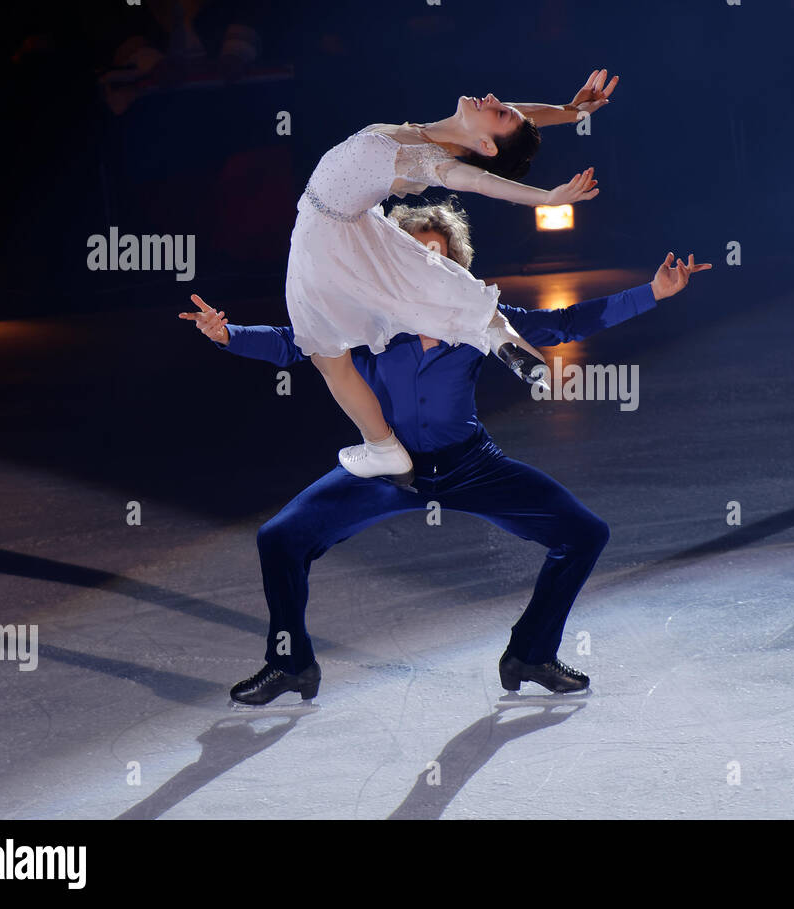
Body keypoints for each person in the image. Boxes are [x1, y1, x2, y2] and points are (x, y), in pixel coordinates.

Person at [179, 198, 708, 703]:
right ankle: (291, 665)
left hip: (470, 464)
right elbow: (293, 342)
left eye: (438, 255)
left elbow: (565, 323)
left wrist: (653, 293)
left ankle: (530, 653)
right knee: (280, 540)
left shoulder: (476, 318)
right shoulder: (365, 321)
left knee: (585, 534)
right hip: (389, 468)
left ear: (453, 264)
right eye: (415, 254)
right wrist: (227, 334)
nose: (427, 264)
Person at [287, 70, 618, 487]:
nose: (494, 96)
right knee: (435, 283)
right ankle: (501, 339)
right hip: (357, 228)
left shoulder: (433, 161)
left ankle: (383, 449)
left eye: (497, 112)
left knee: (328, 355)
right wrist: (571, 112)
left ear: (484, 145)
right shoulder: (431, 137)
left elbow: (481, 181)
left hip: (323, 237)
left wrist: (546, 199)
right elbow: (518, 116)